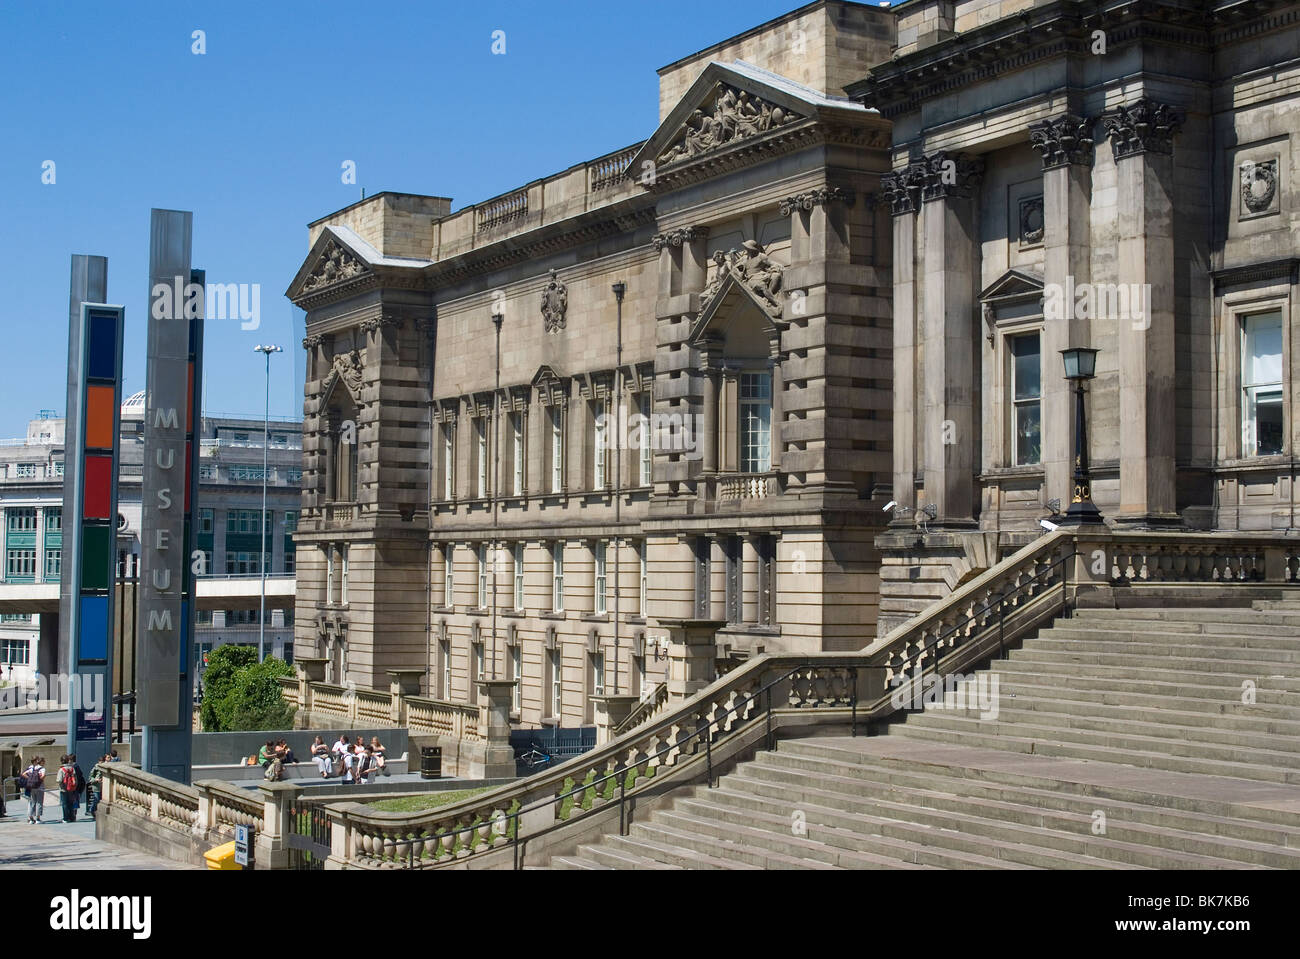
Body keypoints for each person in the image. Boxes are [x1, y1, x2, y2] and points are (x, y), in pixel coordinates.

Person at [23, 756, 45, 824]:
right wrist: (39, 780)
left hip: (32, 787)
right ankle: (38, 819)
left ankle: (31, 819)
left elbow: (23, 774)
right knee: (39, 803)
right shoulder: (42, 768)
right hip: (39, 787)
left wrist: (30, 779)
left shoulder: (31, 768)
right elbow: (43, 776)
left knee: (32, 803)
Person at [58, 754, 80, 823]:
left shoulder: (62, 769)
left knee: (64, 804)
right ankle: (72, 817)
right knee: (71, 803)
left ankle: (65, 818)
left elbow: (59, 780)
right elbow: (75, 779)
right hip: (71, 789)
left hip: (63, 789)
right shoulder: (72, 768)